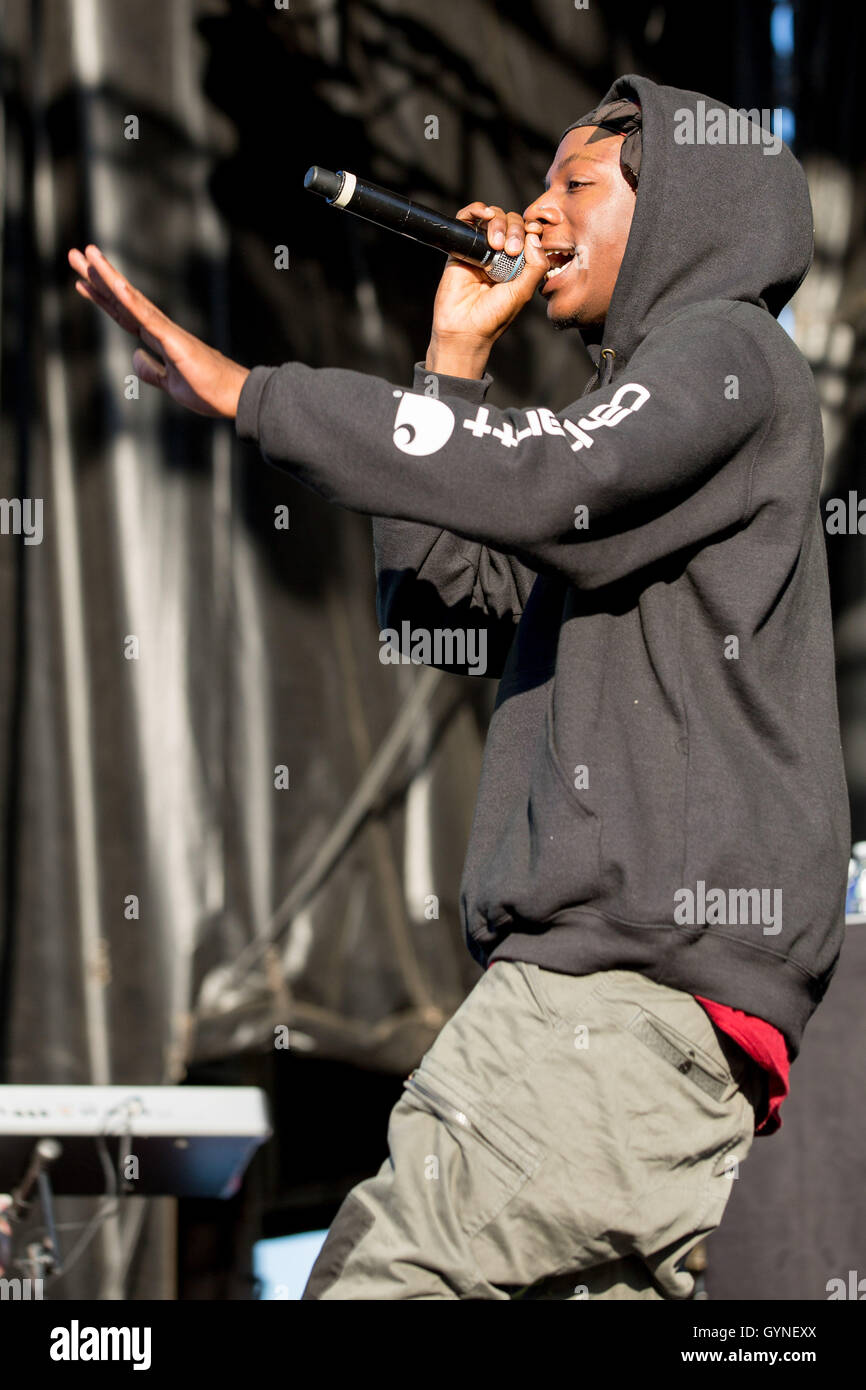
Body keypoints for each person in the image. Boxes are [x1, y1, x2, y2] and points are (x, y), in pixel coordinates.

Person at [68, 73, 850, 1300]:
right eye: (537, 185)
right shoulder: (651, 431)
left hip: (609, 1006)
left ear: (679, 208)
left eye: (572, 187)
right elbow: (445, 611)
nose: (533, 217)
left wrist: (253, 393)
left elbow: (546, 484)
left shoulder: (725, 353)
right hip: (659, 1045)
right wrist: (451, 354)